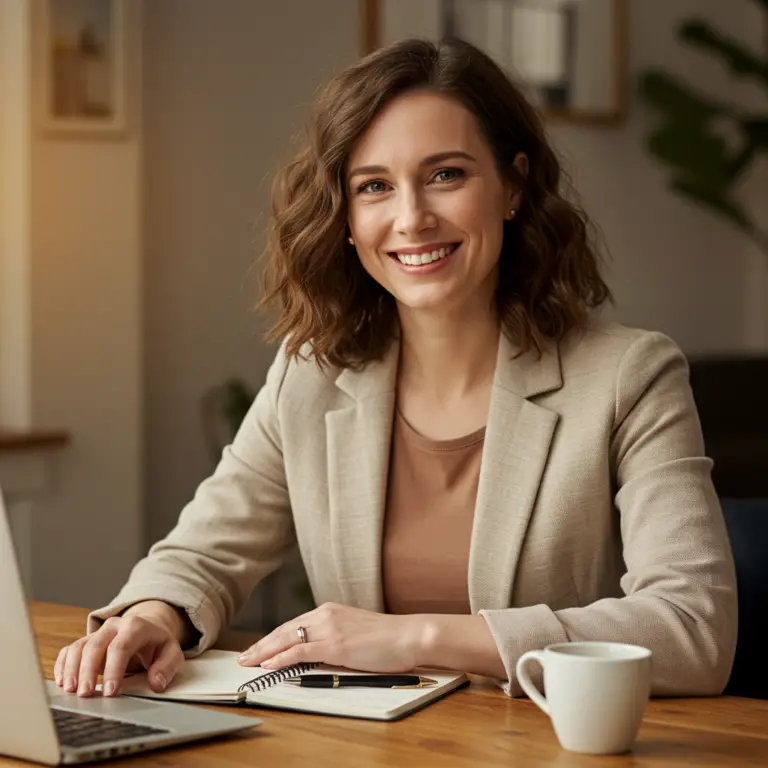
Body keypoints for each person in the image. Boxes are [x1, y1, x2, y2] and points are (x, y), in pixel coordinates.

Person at [54, 37, 737, 701]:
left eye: (446, 174)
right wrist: (152, 615)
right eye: (374, 186)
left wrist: (414, 640)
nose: (411, 218)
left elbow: (694, 627)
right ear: (346, 218)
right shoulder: (310, 374)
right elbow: (203, 551)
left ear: (513, 186)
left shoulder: (629, 376)